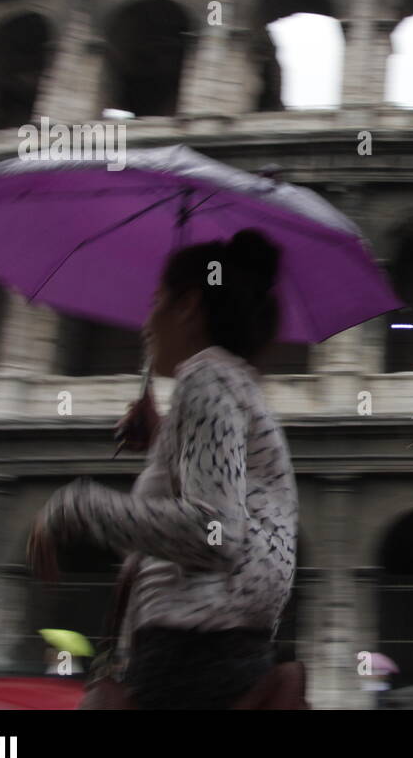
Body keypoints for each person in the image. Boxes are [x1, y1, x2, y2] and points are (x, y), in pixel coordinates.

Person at [27, 229, 299, 709]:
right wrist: (164, 442)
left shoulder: (205, 380)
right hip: (221, 656)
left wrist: (76, 506)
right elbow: (224, 497)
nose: (146, 323)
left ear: (188, 306)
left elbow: (213, 530)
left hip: (189, 664)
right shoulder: (233, 385)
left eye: (156, 302)